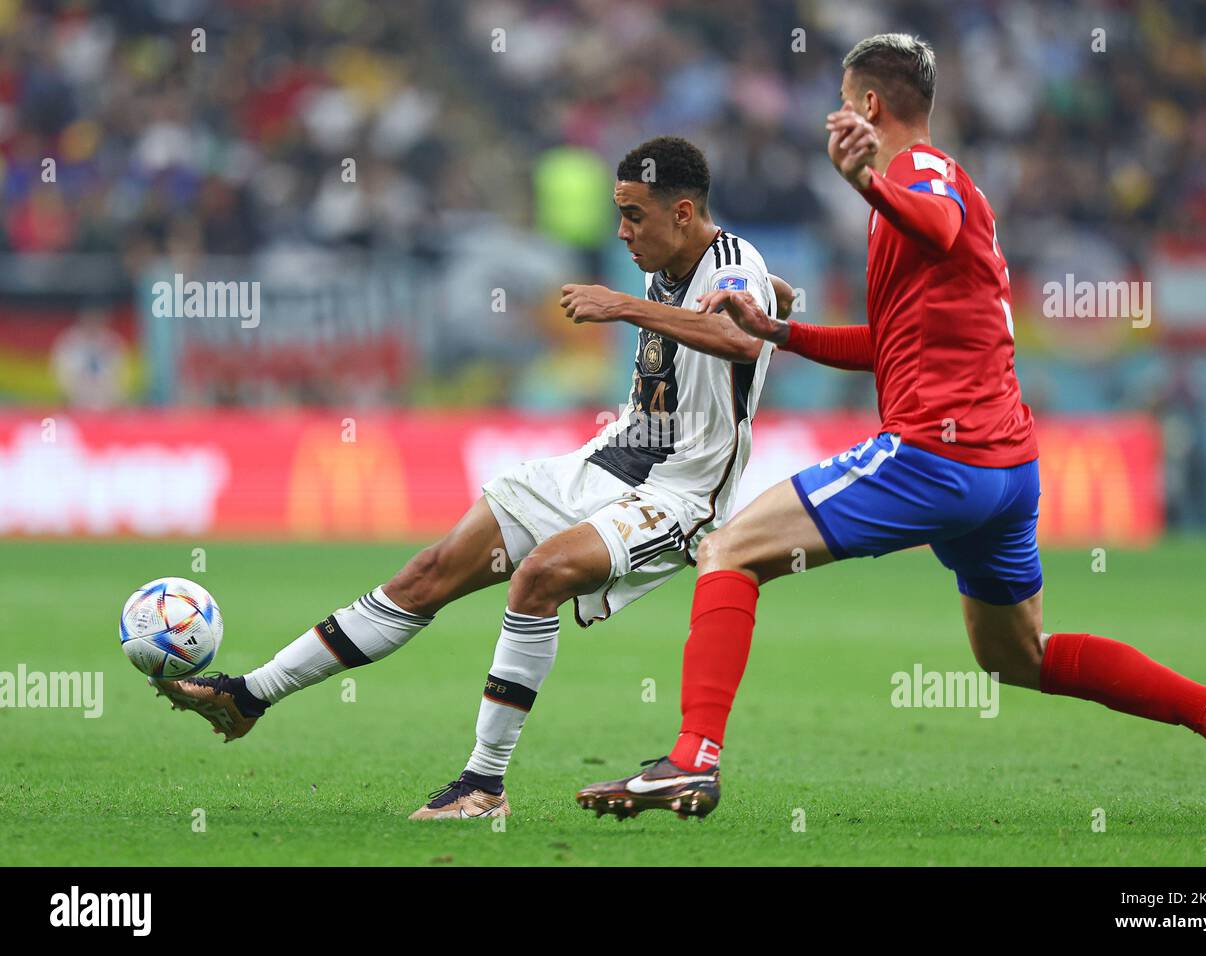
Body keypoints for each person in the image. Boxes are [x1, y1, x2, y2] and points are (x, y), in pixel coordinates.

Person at [576, 35, 1206, 830]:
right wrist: (780, 331)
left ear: (871, 108)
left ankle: (692, 759)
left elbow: (938, 226)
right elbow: (886, 342)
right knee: (1016, 655)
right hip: (1005, 469)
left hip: (936, 458)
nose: (837, 119)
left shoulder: (924, 175)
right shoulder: (933, 200)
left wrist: (869, 181)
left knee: (728, 551)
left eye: (846, 104)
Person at [153, 136, 796, 820]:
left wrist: (630, 307)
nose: (622, 231)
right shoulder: (680, 258)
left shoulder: (730, 266)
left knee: (540, 576)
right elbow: (768, 302)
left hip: (679, 494)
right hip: (604, 459)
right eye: (620, 213)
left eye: (635, 215)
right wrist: (778, 300)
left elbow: (741, 338)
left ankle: (483, 786)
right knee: (427, 573)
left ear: (684, 212)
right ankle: (250, 696)